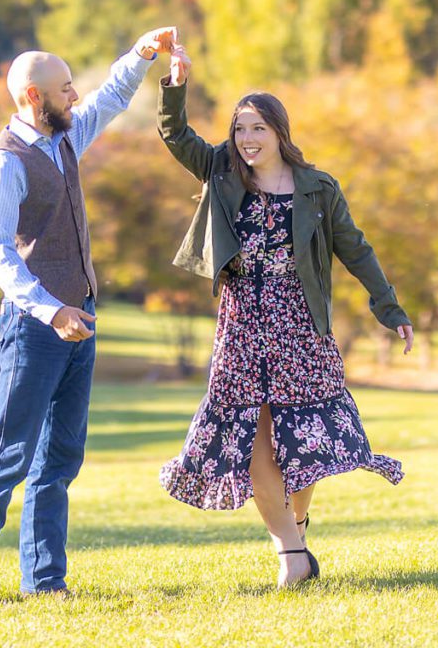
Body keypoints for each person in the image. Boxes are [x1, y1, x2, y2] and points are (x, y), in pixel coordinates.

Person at [154, 44, 414, 588]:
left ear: (279, 133)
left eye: (257, 129)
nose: (247, 139)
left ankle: (296, 526)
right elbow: (176, 137)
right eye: (240, 128)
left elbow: (355, 249)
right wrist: (175, 85)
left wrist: (389, 307)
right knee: (253, 436)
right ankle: (291, 556)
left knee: (302, 440)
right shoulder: (221, 170)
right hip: (243, 323)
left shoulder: (317, 188)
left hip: (299, 323)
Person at [0, 27, 178, 606]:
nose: (75, 96)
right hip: (34, 328)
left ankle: (46, 580)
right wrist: (52, 313)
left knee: (61, 458)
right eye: (65, 89)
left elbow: (109, 100)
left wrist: (141, 54)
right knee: (10, 456)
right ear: (33, 97)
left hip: (83, 322)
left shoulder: (67, 137)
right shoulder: (5, 164)